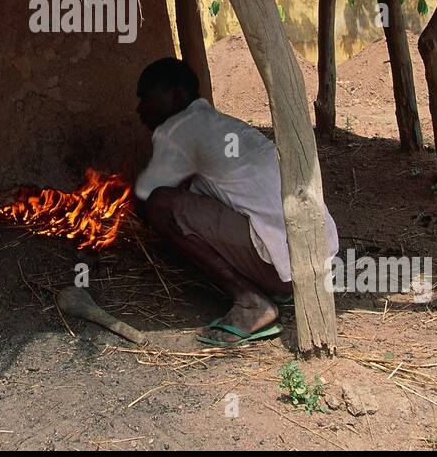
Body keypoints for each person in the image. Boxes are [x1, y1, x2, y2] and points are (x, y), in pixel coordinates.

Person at [133, 57, 339, 346]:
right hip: (319, 258)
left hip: (289, 268)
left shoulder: (176, 131)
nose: (140, 109)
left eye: (147, 98)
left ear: (177, 95)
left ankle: (251, 303)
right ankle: (275, 283)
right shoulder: (219, 123)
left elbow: (147, 195)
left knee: (160, 205)